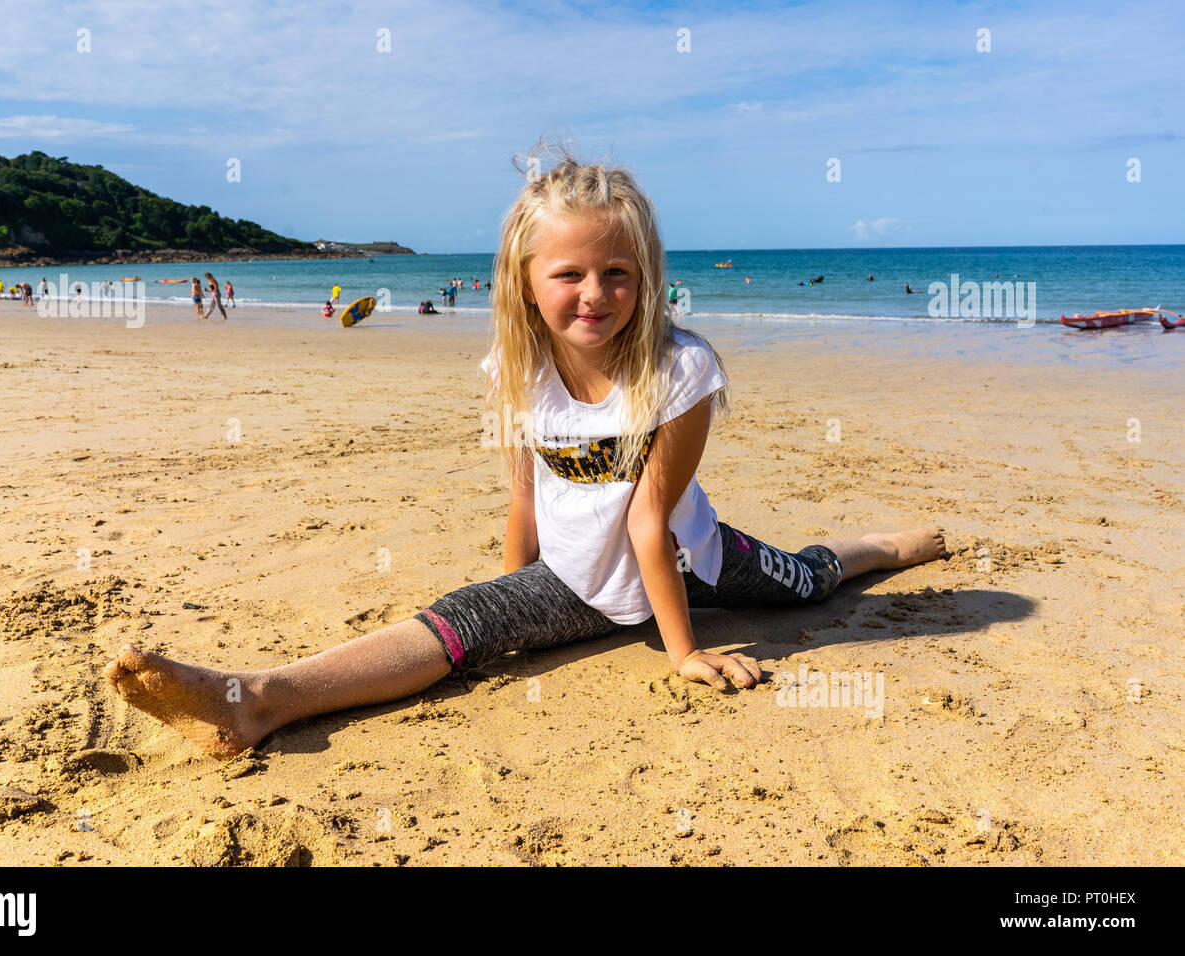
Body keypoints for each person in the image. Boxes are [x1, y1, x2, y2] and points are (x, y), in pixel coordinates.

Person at [104, 149, 947, 759]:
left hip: (694, 561)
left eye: (618, 272)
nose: (596, 293)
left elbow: (652, 518)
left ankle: (885, 543)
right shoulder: (515, 371)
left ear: (647, 277)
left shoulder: (680, 370)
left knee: (803, 579)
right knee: (455, 622)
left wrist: (683, 650)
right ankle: (255, 700)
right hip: (580, 575)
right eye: (570, 273)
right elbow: (525, 495)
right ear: (524, 281)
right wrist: (513, 589)